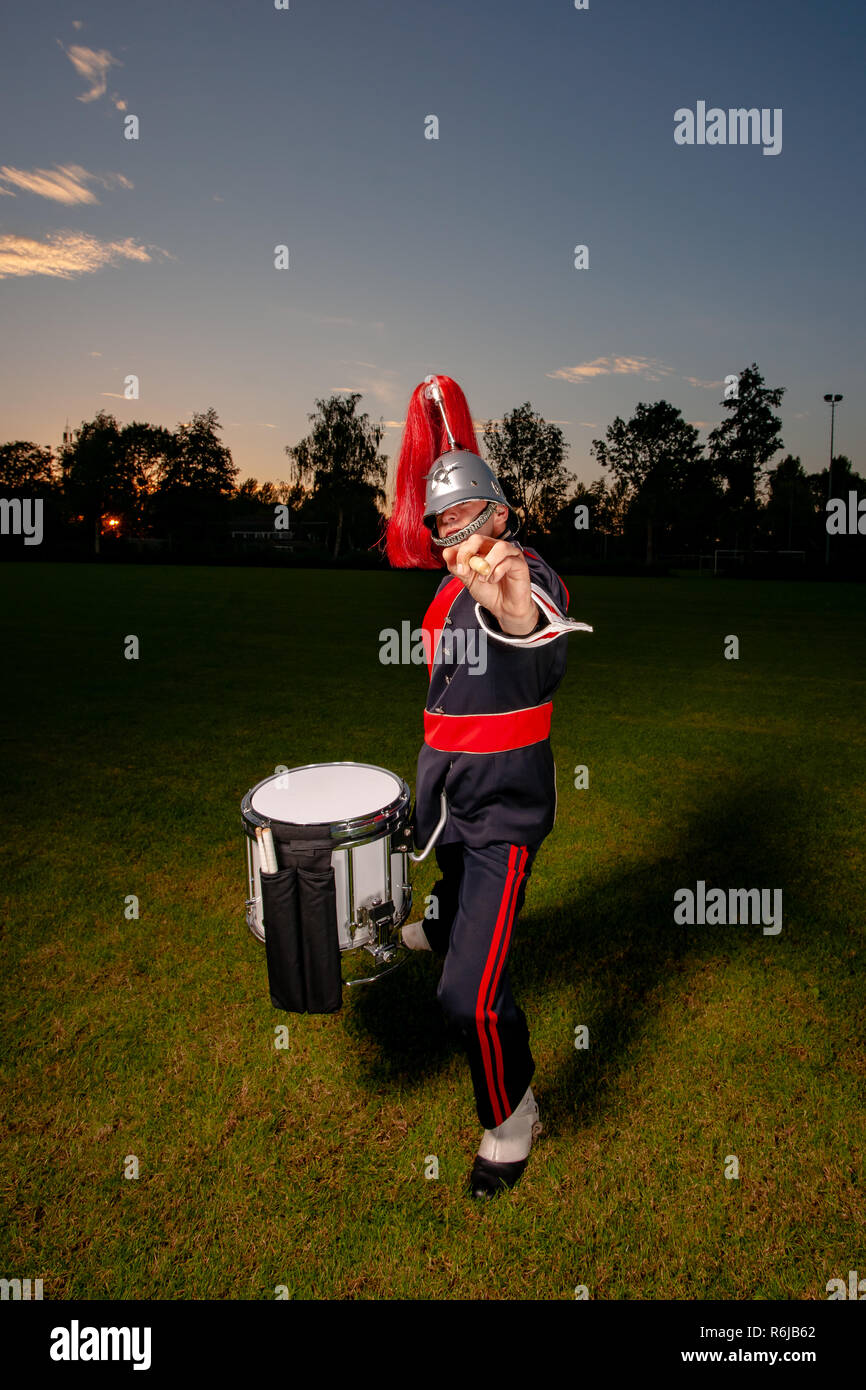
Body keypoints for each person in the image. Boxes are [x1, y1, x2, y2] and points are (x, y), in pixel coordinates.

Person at [384, 374, 591, 1199]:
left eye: (469, 519)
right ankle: (441, 916)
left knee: (469, 999)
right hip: (451, 805)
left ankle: (513, 1118)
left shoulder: (521, 571)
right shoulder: (443, 589)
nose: (455, 537)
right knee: (450, 886)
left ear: (502, 517)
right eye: (442, 527)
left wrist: (512, 610)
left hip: (504, 815)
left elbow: (538, 625)